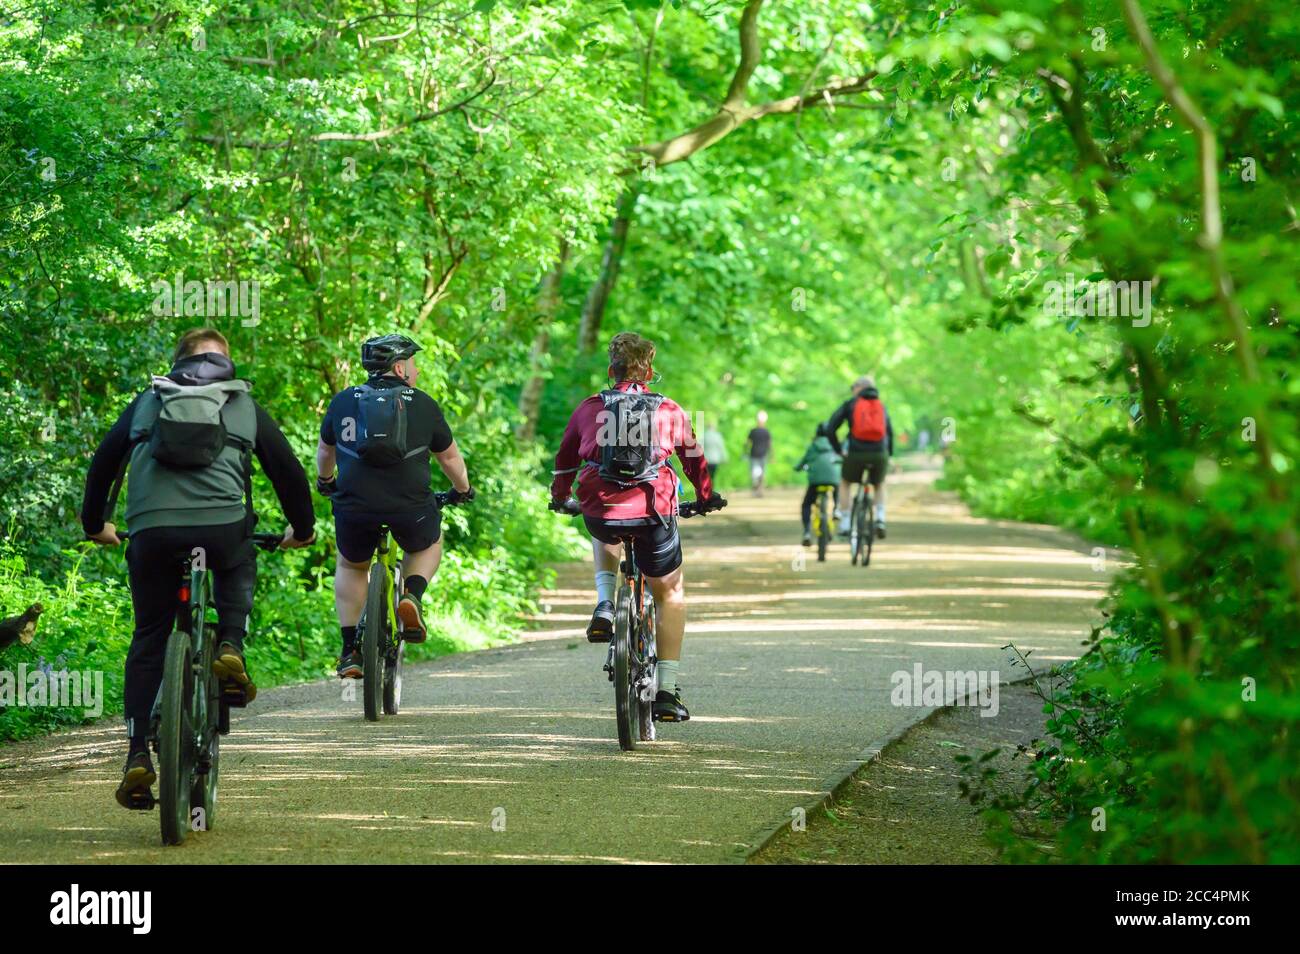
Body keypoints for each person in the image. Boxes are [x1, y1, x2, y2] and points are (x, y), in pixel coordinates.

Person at [82, 328, 316, 808]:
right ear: (224, 361)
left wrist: (95, 523)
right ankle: (230, 642)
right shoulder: (241, 401)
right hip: (221, 528)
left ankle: (134, 753)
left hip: (152, 532)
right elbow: (287, 470)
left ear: (178, 361)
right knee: (238, 555)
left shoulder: (151, 399)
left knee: (149, 634)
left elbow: (104, 461)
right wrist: (303, 528)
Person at [549, 332, 725, 722]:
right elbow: (694, 461)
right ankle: (667, 690)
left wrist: (563, 499)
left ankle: (606, 602)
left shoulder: (590, 408)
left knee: (600, 521)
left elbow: (565, 462)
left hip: (603, 512)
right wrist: (707, 497)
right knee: (670, 593)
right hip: (652, 513)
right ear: (649, 368)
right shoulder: (669, 410)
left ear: (611, 369)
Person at [316, 334, 474, 679]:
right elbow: (448, 457)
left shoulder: (343, 401)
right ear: (400, 368)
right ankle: (412, 596)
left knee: (352, 564)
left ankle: (350, 650)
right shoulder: (423, 403)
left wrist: (326, 482)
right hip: (410, 506)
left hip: (355, 506)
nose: (415, 371)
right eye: (413, 364)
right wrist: (463, 489)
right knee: (429, 544)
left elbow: (326, 453)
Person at [824, 375, 894, 538]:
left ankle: (846, 522)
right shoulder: (881, 406)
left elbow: (830, 428)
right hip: (879, 453)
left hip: (855, 452)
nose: (852, 389)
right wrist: (888, 454)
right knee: (879, 482)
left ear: (860, 387)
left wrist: (838, 449)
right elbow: (890, 432)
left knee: (845, 482)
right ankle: (880, 518)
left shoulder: (851, 404)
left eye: (853, 386)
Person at [795, 423, 842, 546]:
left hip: (816, 480)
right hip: (832, 478)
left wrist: (797, 468)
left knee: (806, 504)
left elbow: (803, 462)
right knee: (837, 486)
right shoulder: (835, 445)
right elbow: (841, 459)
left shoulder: (813, 446)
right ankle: (837, 508)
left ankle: (806, 532)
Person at [745, 410, 772, 496]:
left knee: (754, 474)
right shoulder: (766, 431)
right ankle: (760, 491)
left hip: (754, 454)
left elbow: (747, 443)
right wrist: (772, 455)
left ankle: (757, 491)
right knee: (761, 474)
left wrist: (745, 451)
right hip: (762, 455)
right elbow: (770, 444)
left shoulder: (753, 431)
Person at [699, 419, 728, 485]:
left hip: (706, 459)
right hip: (715, 459)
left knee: (706, 475)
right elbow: (721, 447)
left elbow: (700, 447)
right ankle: (711, 490)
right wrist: (724, 458)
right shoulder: (717, 436)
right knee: (712, 476)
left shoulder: (704, 435)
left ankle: (707, 490)